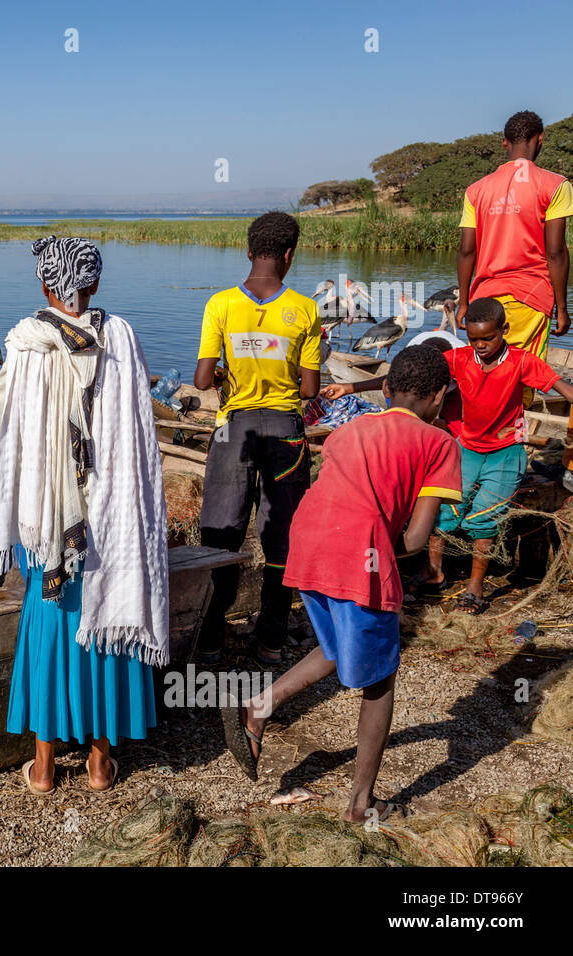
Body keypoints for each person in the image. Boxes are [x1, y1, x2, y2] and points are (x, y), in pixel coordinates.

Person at [223, 345, 461, 823]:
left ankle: (260, 705)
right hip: (359, 554)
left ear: (386, 389)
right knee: (379, 680)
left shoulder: (351, 429)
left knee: (335, 644)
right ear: (440, 397)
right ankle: (360, 804)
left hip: (307, 542)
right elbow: (415, 538)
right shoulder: (439, 444)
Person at [0, 236, 169, 793]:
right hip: (108, 514)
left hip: (49, 522)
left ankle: (43, 770)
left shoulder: (25, 341)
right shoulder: (118, 335)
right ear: (94, 282)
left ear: (46, 284)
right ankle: (97, 763)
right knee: (108, 614)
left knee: (51, 624)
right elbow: (139, 430)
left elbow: (5, 421)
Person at [324, 298, 573, 614]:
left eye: (488, 338)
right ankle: (434, 570)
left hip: (505, 454)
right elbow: (408, 380)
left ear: (504, 330)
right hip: (466, 449)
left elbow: (563, 388)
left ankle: (475, 588)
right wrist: (352, 388)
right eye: (474, 339)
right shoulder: (458, 359)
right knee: (443, 512)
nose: (480, 346)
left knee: (486, 517)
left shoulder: (523, 362)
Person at [194, 212, 323, 667]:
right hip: (286, 430)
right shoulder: (305, 309)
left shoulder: (221, 304)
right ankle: (270, 639)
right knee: (282, 537)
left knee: (220, 533)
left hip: (234, 430)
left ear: (248, 252)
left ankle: (209, 639)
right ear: (289, 255)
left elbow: (203, 377)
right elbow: (309, 390)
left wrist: (233, 374)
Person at [456, 110, 571, 361]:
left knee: (487, 377)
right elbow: (556, 251)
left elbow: (467, 250)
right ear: (540, 139)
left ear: (504, 142)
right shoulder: (555, 185)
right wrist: (562, 307)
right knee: (522, 378)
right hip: (531, 298)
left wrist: (464, 303)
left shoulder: (475, 190)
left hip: (483, 301)